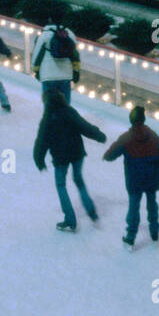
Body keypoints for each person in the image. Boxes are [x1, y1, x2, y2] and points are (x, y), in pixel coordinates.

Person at [33, 88, 105, 231]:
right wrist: (99, 135)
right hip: (77, 154)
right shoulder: (70, 112)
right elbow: (85, 127)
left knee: (61, 186)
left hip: (60, 158)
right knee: (79, 180)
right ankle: (92, 212)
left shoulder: (47, 119)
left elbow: (41, 141)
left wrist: (39, 160)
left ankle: (70, 220)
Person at [103, 105, 159, 248]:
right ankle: (154, 230)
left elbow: (111, 154)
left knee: (134, 206)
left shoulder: (127, 138)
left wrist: (106, 156)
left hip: (134, 180)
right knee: (152, 203)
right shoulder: (153, 136)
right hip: (152, 179)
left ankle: (131, 235)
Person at [30, 11, 81, 105]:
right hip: (66, 76)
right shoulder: (69, 34)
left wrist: (35, 70)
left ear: (50, 19)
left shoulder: (44, 35)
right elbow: (75, 56)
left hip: (48, 76)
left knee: (50, 108)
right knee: (65, 106)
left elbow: (37, 56)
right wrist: (76, 72)